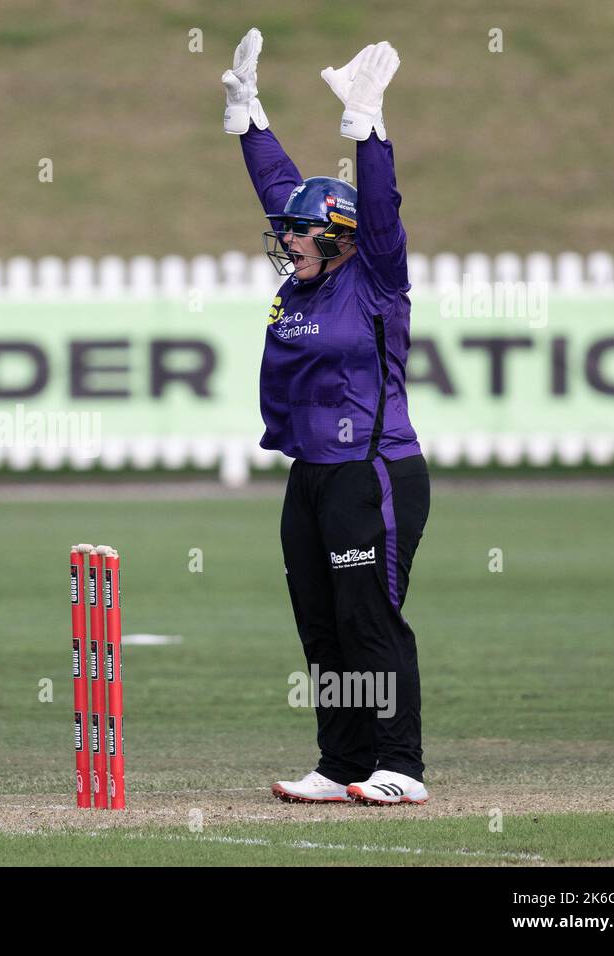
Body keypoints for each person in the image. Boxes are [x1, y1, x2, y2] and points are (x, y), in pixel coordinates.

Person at [222, 33, 432, 804]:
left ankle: (399, 768)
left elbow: (381, 208)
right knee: (322, 626)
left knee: (368, 618)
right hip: (309, 476)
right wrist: (251, 119)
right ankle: (341, 762)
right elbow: (283, 189)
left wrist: (366, 126)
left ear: (340, 239)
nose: (284, 240)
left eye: (299, 235)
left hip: (371, 472)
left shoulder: (375, 276)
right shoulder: (306, 278)